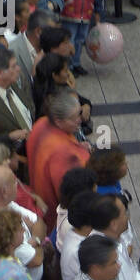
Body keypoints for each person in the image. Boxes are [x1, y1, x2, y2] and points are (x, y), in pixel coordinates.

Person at [27, 91, 91, 230]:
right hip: (59, 219)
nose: (79, 120)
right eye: (73, 118)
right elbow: (73, 196)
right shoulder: (65, 156)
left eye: (79, 114)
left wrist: (77, 147)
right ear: (58, 121)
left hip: (39, 198)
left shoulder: (40, 124)